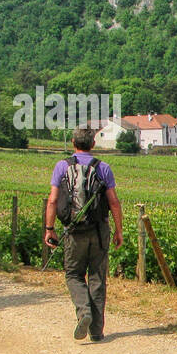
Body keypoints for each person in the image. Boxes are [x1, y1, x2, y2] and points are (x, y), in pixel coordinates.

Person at [45, 128, 123, 341]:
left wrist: (49, 228)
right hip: (99, 230)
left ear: (73, 143)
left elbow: (52, 200)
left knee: (73, 274)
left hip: (73, 231)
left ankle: (83, 311)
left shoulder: (62, 166)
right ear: (93, 144)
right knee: (97, 277)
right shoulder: (103, 168)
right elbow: (114, 202)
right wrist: (119, 230)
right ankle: (96, 331)